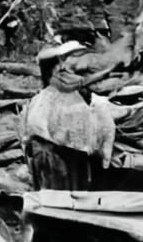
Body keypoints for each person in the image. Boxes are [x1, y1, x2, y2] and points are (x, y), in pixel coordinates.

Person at [20, 40, 116, 190]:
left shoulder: (38, 101)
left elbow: (26, 139)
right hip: (60, 159)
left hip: (58, 158)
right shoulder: (58, 99)